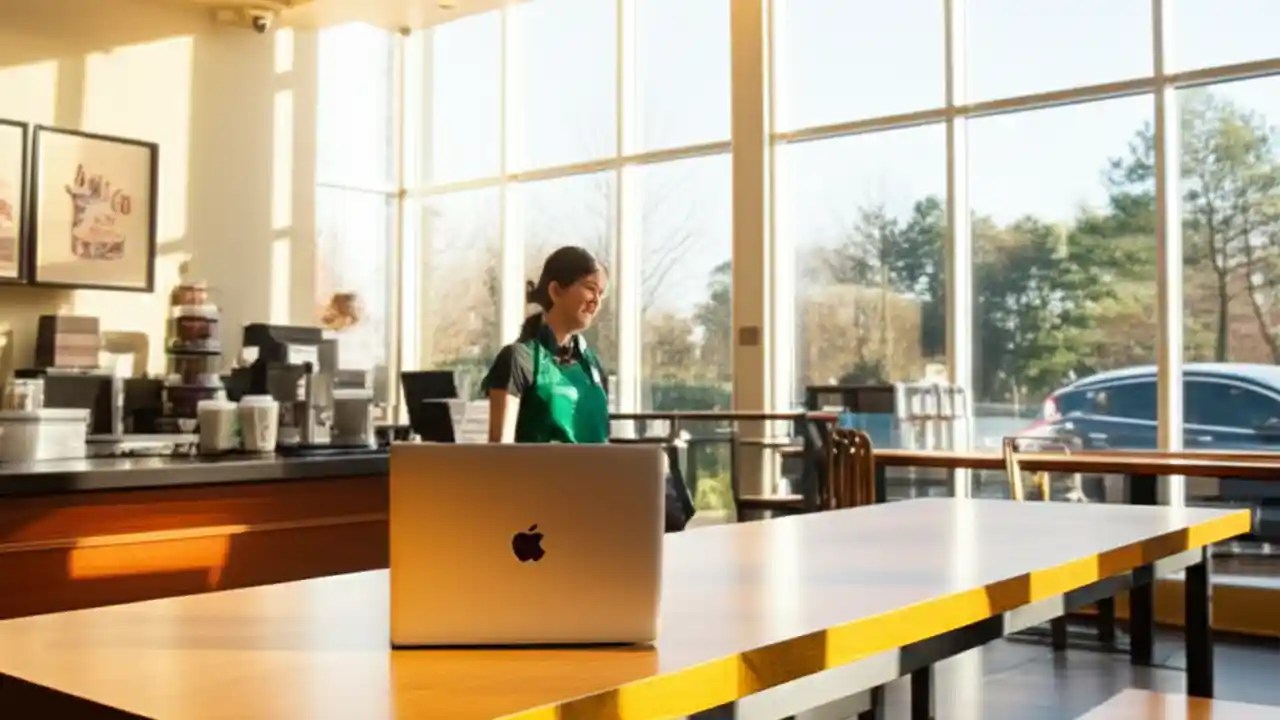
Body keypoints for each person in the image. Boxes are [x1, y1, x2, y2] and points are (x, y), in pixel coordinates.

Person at [482, 245, 694, 530]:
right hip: (545, 503)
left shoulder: (590, 363)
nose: (597, 301)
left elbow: (599, 440)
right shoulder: (518, 359)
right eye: (590, 289)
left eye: (602, 294)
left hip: (594, 496)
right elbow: (500, 455)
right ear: (556, 291)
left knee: (662, 474)